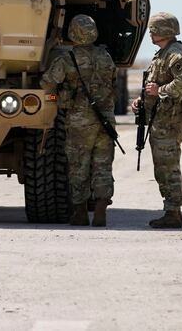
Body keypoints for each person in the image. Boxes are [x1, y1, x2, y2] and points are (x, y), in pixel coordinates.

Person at [40, 14, 117, 227]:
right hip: (106, 122)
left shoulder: (66, 59)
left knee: (78, 166)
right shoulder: (106, 57)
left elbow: (46, 83)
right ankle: (100, 211)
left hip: (79, 122)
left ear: (73, 34)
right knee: (102, 166)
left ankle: (80, 213)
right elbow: (112, 84)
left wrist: (60, 94)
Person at [131, 11, 182, 229]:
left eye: (153, 30)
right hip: (160, 118)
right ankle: (171, 210)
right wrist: (142, 99)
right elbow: (155, 82)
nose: (150, 34)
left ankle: (173, 212)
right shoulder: (163, 54)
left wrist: (160, 90)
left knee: (168, 167)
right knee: (162, 166)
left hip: (169, 120)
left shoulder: (174, 54)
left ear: (164, 32)